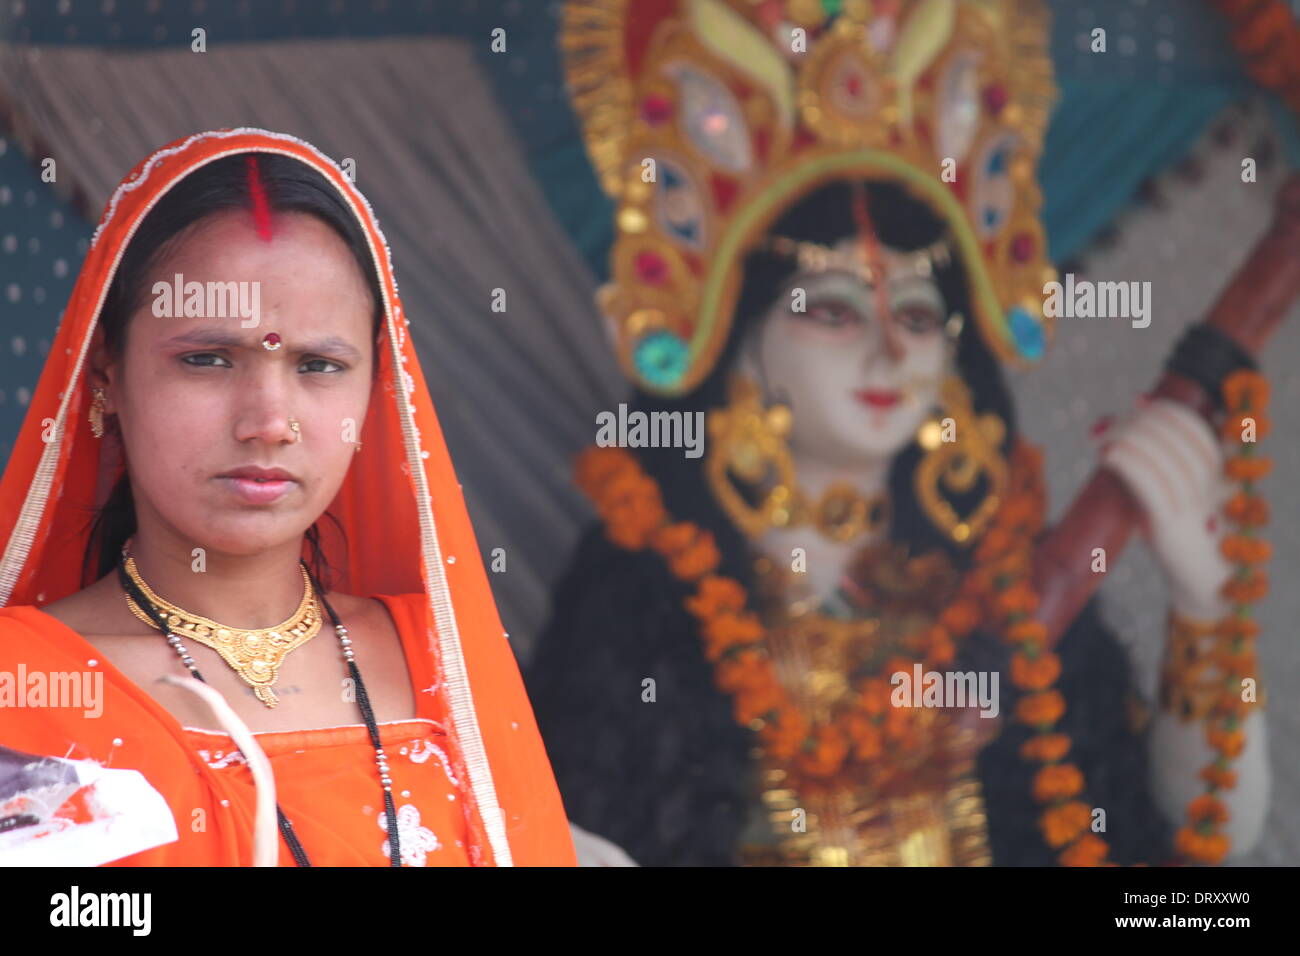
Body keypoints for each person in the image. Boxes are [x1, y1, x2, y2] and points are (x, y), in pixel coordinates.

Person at [525, 0, 1270, 866]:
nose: (891, 351)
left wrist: (1203, 601)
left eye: (919, 315)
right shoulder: (642, 588)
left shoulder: (1009, 575)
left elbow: (1198, 841)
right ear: (740, 338)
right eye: (833, 311)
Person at [0, 128, 577, 867]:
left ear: (378, 386)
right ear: (107, 370)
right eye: (207, 359)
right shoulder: (27, 687)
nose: (269, 422)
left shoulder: (443, 663)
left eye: (319, 365)